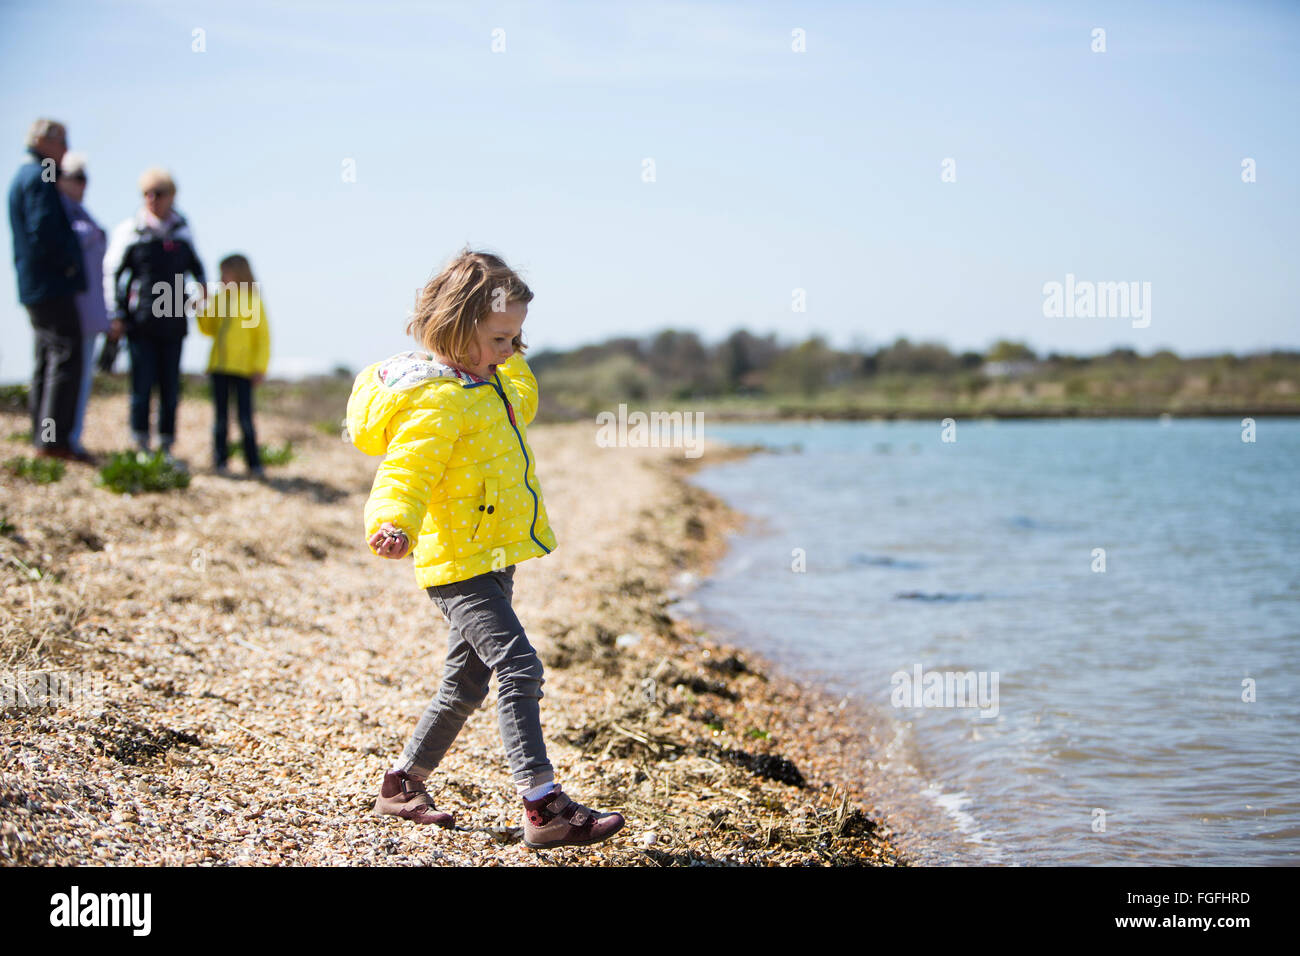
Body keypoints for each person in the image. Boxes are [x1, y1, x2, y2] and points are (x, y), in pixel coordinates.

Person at [345, 249, 625, 849]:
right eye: (501, 337)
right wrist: (391, 522)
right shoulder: (437, 400)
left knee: (464, 686)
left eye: (518, 338)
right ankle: (542, 805)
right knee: (519, 666)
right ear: (457, 325)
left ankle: (401, 784)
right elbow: (404, 474)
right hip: (457, 567)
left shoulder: (494, 382)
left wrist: (509, 350)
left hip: (495, 560)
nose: (510, 349)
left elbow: (523, 399)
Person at [103, 168, 205, 461]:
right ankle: (140, 445)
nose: (152, 199)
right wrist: (117, 315)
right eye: (146, 194)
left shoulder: (183, 232)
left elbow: (198, 271)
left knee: (170, 388)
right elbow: (115, 275)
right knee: (141, 385)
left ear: (172, 196)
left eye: (158, 193)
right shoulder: (132, 232)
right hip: (141, 322)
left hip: (174, 322)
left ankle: (165, 445)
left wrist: (199, 296)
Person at [7, 118, 90, 463]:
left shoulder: (21, 174)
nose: (66, 149)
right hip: (51, 283)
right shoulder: (42, 173)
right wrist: (69, 265)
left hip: (33, 283)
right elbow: (44, 229)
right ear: (44, 141)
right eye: (62, 141)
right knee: (65, 355)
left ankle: (42, 436)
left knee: (46, 357)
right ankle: (54, 442)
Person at [55, 152, 110, 462]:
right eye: (76, 177)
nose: (82, 184)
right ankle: (60, 439)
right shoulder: (61, 212)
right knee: (66, 376)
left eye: (84, 177)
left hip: (89, 311)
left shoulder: (80, 213)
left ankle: (70, 437)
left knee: (81, 377)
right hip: (70, 310)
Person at [197, 253, 269, 478]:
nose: (221, 277)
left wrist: (260, 367)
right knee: (220, 418)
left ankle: (253, 463)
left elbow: (262, 338)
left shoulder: (252, 300)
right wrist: (202, 306)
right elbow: (208, 329)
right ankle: (220, 461)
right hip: (219, 367)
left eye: (225, 272)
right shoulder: (219, 299)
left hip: (244, 370)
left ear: (238, 273)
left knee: (245, 418)